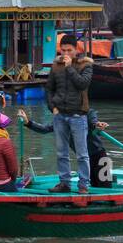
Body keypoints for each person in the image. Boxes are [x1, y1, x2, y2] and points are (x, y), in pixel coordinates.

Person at [44, 33, 94, 193]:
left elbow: (82, 84)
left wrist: (69, 67)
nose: (65, 54)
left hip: (78, 115)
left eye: (69, 50)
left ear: (76, 50)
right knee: (61, 152)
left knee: (82, 154)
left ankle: (83, 185)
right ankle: (64, 183)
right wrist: (53, 108)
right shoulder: (55, 66)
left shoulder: (85, 66)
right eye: (62, 50)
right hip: (60, 115)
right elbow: (49, 89)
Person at [21, 108, 114, 188]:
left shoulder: (87, 112)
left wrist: (97, 125)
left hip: (100, 156)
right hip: (85, 160)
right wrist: (28, 122)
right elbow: (45, 129)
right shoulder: (62, 120)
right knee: (93, 185)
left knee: (105, 186)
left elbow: (93, 122)